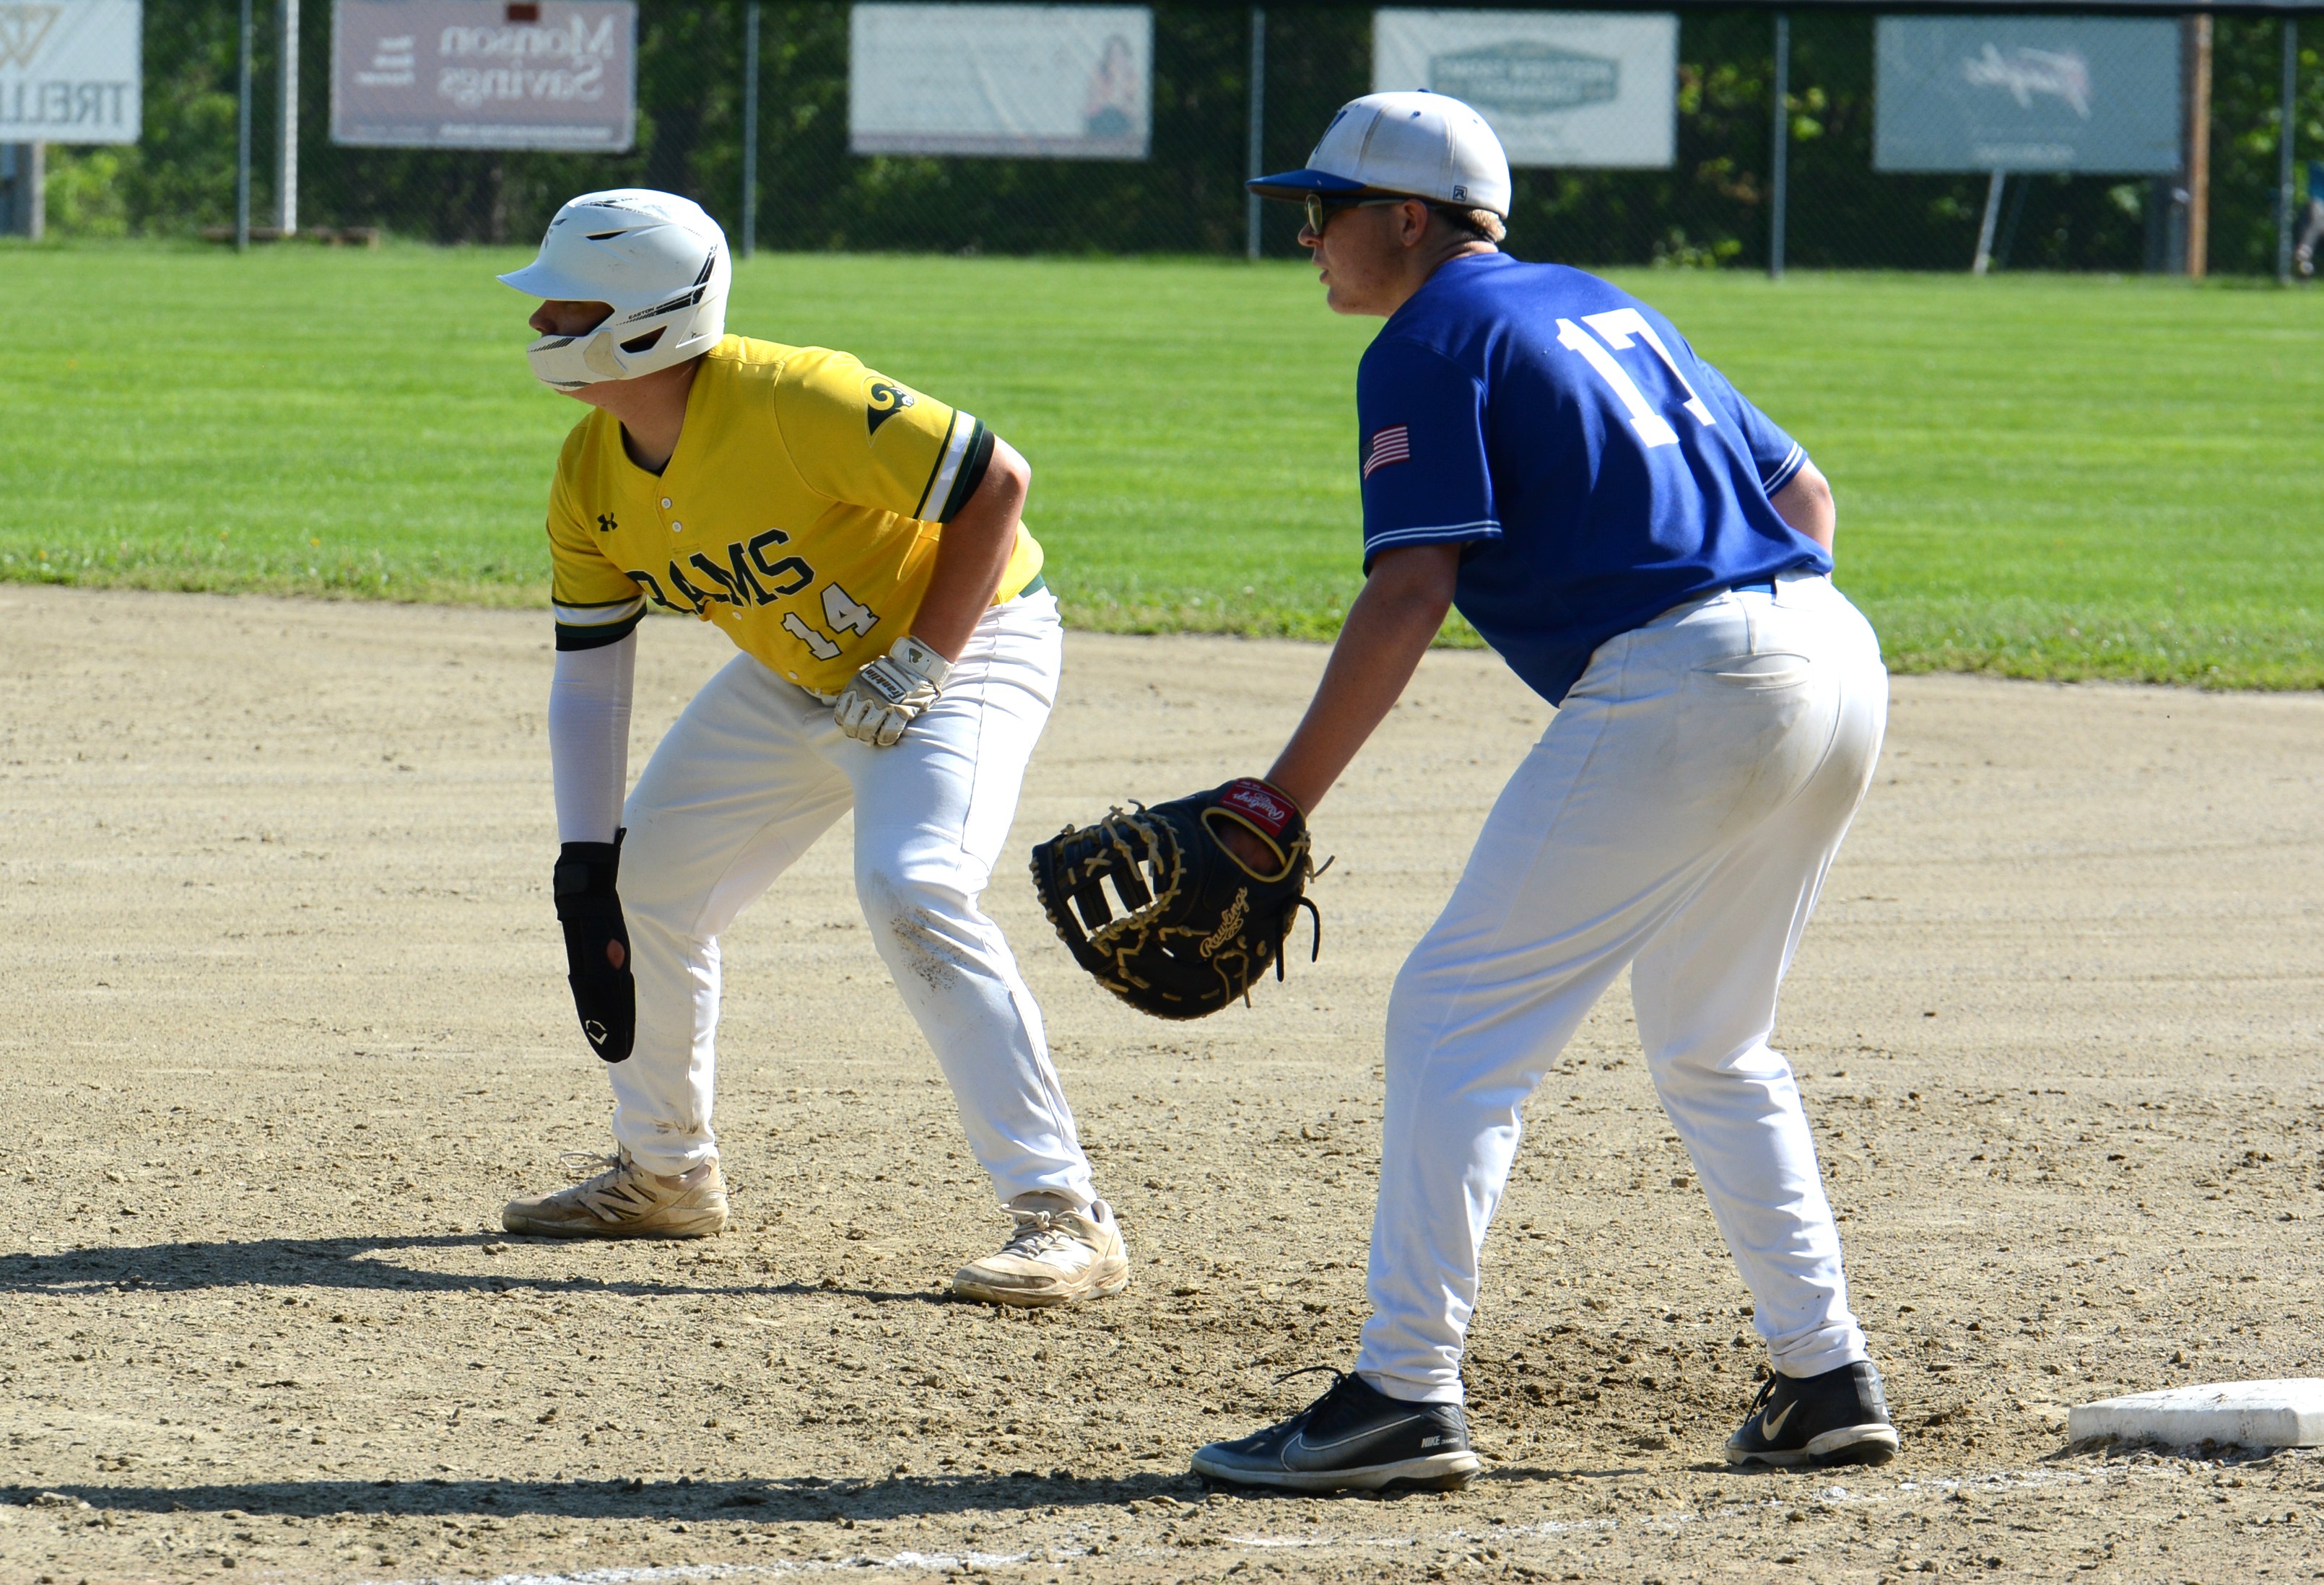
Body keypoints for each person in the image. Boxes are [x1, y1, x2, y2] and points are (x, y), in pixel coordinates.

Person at [1188, 94, 1898, 1490]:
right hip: (1832, 650)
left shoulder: (1427, 338)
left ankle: (1402, 1392)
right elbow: (1805, 497)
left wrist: (1278, 800)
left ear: (1409, 220)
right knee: (1716, 1042)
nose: (1308, 237)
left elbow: (1412, 588)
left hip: (1696, 675)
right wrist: (1754, 647)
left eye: (1323, 211)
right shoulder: (1603, 302)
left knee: (1453, 1017)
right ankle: (1825, 1376)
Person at [492, 188, 1127, 1308]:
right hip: (800, 670)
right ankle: (665, 1174)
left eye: (567, 303)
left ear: (647, 317)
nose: (541, 321)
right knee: (643, 886)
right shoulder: (589, 473)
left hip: (970, 641)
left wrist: (926, 658)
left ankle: (1063, 1213)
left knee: (913, 885)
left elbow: (997, 482)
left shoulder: (796, 397)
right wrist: (585, 860)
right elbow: (591, 676)